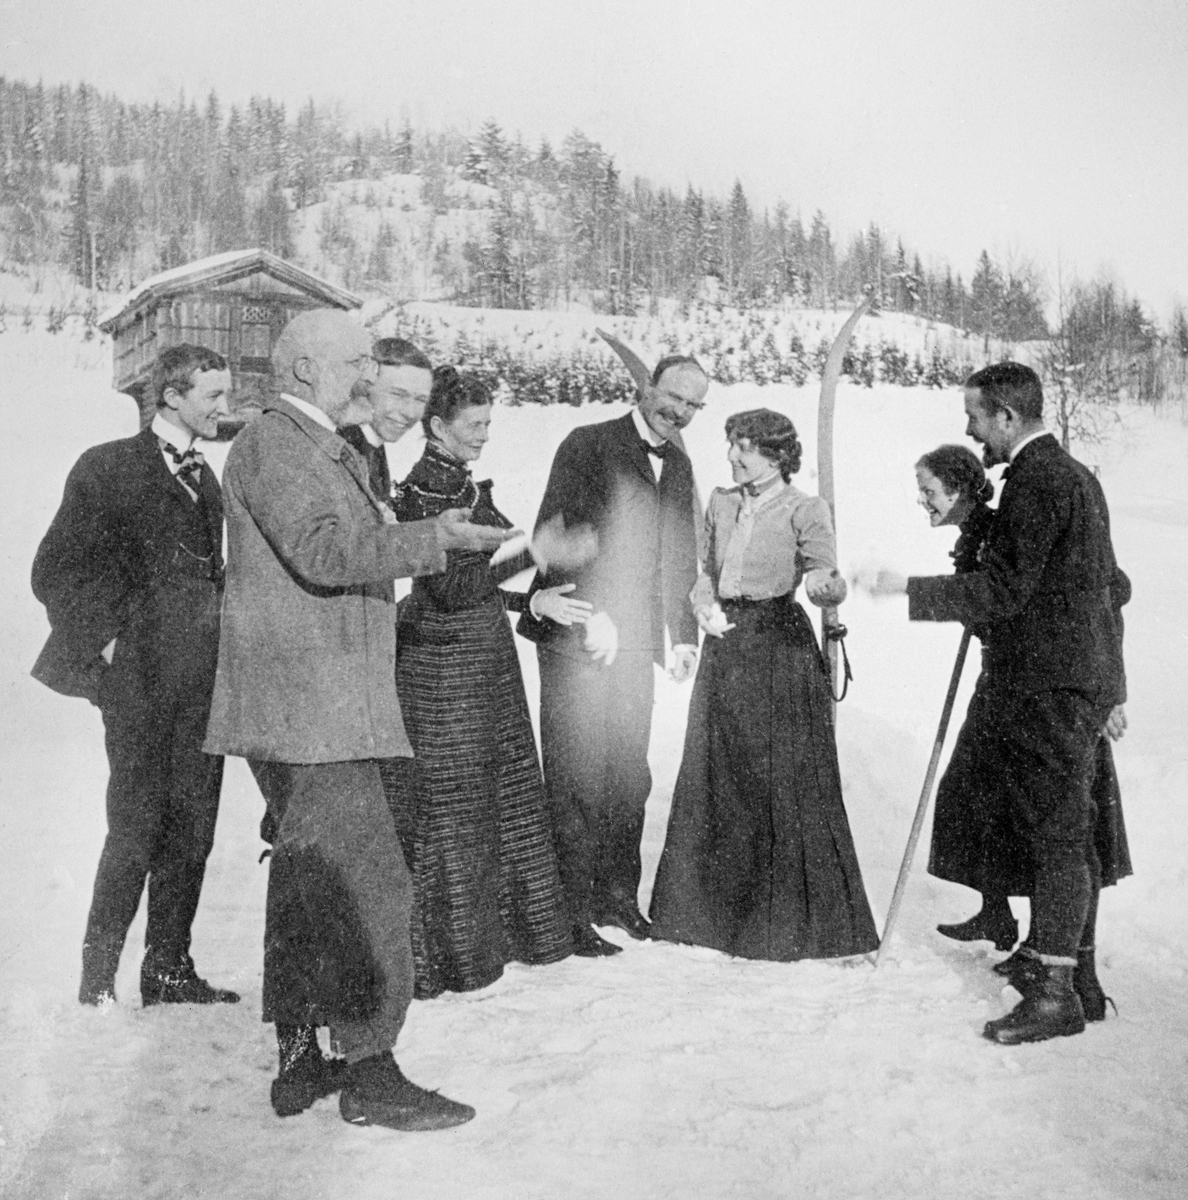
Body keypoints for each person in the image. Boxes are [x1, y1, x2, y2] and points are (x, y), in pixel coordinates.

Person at [203, 309, 510, 1129]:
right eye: (357, 366)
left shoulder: (312, 443)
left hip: (323, 702)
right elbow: (326, 553)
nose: (370, 381)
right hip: (314, 707)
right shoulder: (276, 443)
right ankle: (372, 1070)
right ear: (304, 370)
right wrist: (432, 537)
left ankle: (301, 1057)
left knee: (312, 882)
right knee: (374, 882)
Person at [868, 363, 1128, 1044]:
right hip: (1058, 683)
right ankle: (1079, 979)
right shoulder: (1068, 475)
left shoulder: (1041, 481)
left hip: (1049, 688)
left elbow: (1005, 592)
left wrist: (904, 589)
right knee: (1061, 833)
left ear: (1007, 418)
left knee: (1059, 837)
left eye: (975, 417)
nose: (969, 429)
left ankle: (1058, 996)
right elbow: (1100, 585)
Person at [32, 343, 239, 1009]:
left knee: (194, 827)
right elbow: (54, 571)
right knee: (135, 829)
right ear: (172, 396)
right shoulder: (107, 467)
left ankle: (169, 970)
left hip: (201, 687)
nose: (223, 407)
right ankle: (96, 983)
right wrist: (112, 642)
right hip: (139, 688)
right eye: (212, 395)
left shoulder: (208, 480)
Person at [648, 409, 878, 961]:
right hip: (726, 646)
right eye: (731, 445)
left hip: (778, 648)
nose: (732, 457)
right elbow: (704, 571)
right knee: (718, 773)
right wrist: (702, 607)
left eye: (745, 448)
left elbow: (821, 572)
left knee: (775, 779)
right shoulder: (723, 502)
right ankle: (706, 919)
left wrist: (829, 587)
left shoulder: (805, 508)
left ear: (777, 456)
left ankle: (779, 927)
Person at [913, 444, 1132, 1019]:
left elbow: (1108, 588)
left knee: (1065, 833)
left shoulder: (1035, 495)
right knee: (986, 797)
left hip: (1053, 688)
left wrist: (1109, 687)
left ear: (958, 492)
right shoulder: (1010, 509)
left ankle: (1067, 977)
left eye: (929, 491)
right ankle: (1018, 929)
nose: (922, 501)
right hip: (1023, 682)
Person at [389, 366, 587, 994]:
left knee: (488, 794)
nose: (482, 437)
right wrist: (537, 554)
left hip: (480, 659)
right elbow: (449, 589)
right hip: (443, 668)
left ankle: (485, 946)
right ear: (438, 425)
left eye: (488, 425)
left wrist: (527, 604)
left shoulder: (459, 481)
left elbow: (475, 586)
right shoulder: (423, 490)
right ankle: (454, 957)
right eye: (473, 426)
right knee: (454, 804)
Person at [519, 354, 707, 953]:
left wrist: (682, 636)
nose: (680, 411)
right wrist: (569, 604)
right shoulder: (588, 443)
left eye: (694, 405)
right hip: (579, 631)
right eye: (674, 396)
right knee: (576, 774)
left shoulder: (678, 462)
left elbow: (680, 558)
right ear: (647, 386)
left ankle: (617, 900)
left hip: (635, 646)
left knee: (629, 773)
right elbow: (553, 532)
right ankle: (568, 914)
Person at [338, 336, 434, 500]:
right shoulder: (343, 452)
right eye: (398, 395)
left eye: (420, 400)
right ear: (365, 388)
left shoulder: (371, 444)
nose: (410, 413)